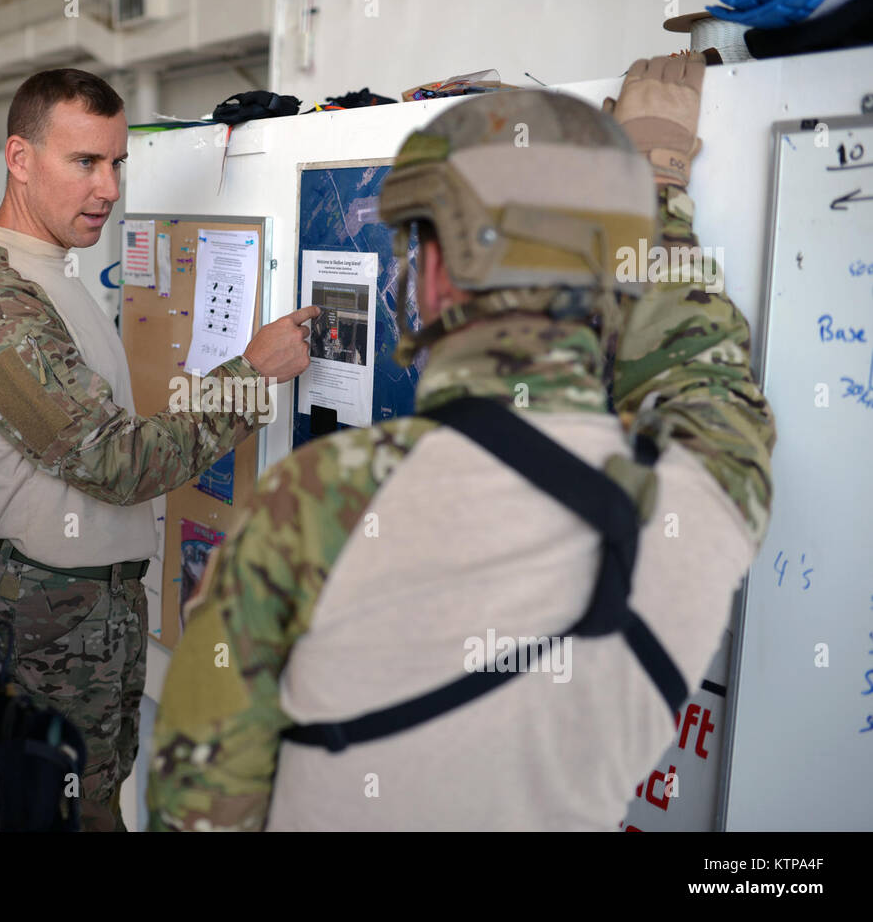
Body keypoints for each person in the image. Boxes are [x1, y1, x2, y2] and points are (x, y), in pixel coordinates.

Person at [148, 54, 776, 830]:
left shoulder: (314, 503)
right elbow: (705, 381)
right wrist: (659, 185)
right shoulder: (696, 496)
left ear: (433, 273)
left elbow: (200, 811)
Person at [0, 67, 317, 830]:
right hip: (50, 626)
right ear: (19, 158)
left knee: (94, 803)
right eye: (84, 163)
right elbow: (117, 462)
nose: (108, 188)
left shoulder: (50, 275)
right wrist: (251, 376)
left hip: (85, 616)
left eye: (117, 163)